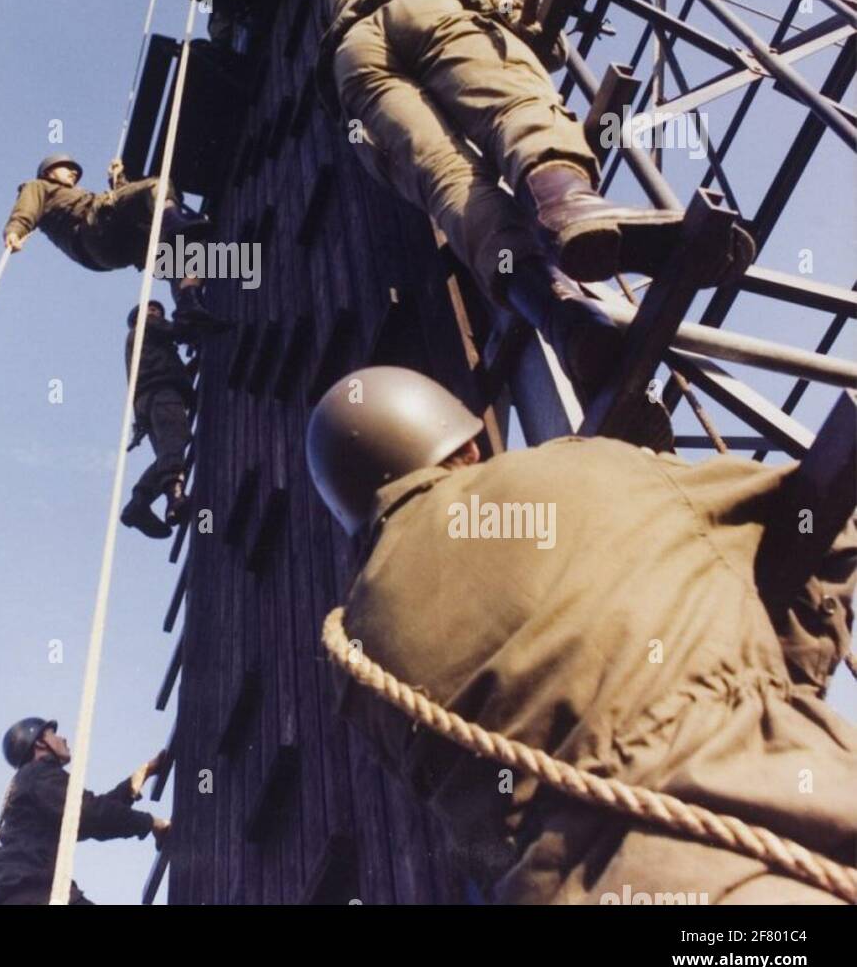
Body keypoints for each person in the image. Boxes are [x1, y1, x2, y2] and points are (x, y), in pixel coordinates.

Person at [305, 366, 857, 905]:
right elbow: (820, 527)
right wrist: (776, 690)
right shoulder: (577, 464)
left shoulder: (355, 652)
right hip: (775, 826)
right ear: (469, 445)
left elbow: (472, 839)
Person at [267, 0, 754, 298]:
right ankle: (570, 205)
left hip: (351, 58)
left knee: (447, 182)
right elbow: (536, 34)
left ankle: (558, 314)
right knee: (513, 107)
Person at [2, 153, 223, 330]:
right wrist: (15, 232)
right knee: (156, 184)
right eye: (66, 168)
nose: (73, 172)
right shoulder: (38, 186)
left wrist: (117, 179)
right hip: (92, 230)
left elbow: (127, 200)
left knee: (188, 254)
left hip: (111, 250)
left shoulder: (75, 193)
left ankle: (189, 304)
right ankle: (174, 224)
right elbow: (25, 210)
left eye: (75, 171)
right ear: (49, 171)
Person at [0, 717, 170, 905]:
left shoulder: (33, 783)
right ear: (40, 742)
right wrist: (152, 823)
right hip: (32, 893)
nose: (63, 739)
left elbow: (91, 815)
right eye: (53, 734)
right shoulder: (38, 774)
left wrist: (137, 781)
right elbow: (91, 814)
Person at [121, 300, 196, 538]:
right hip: (162, 392)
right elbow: (175, 331)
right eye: (151, 310)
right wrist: (194, 320)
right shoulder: (147, 326)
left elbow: (164, 365)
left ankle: (139, 503)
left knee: (167, 452)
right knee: (176, 441)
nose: (155, 314)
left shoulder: (139, 342)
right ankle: (175, 497)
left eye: (157, 311)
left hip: (147, 400)